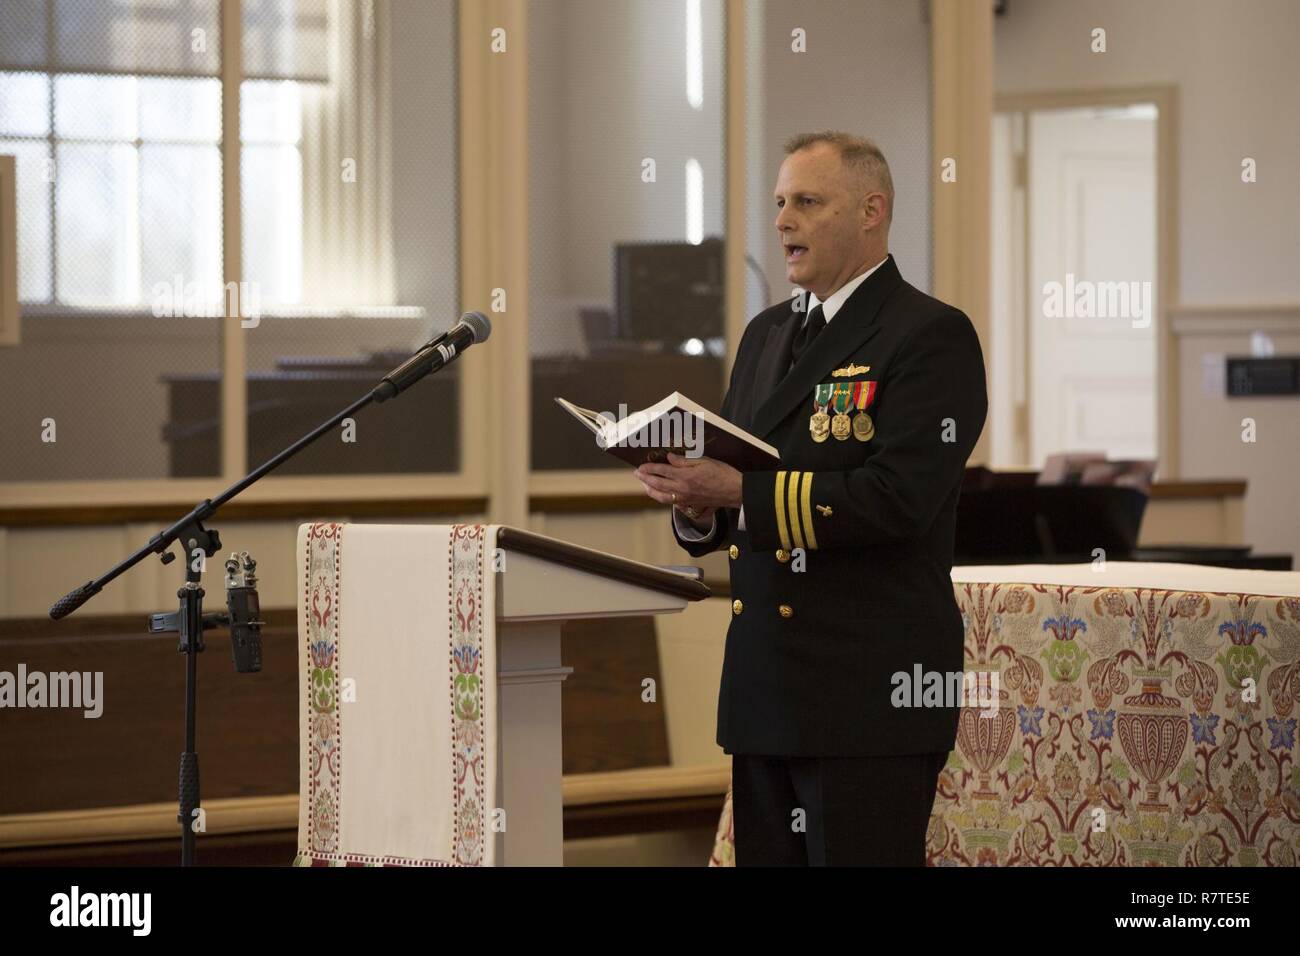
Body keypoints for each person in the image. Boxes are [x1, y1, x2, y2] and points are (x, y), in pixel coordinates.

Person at [635, 130, 988, 865]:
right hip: (768, 687)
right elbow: (741, 477)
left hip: (867, 693)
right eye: (779, 203)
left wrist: (741, 493)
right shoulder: (766, 335)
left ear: (871, 210)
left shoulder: (928, 335)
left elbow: (898, 499)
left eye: (806, 201)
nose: (782, 221)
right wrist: (699, 507)